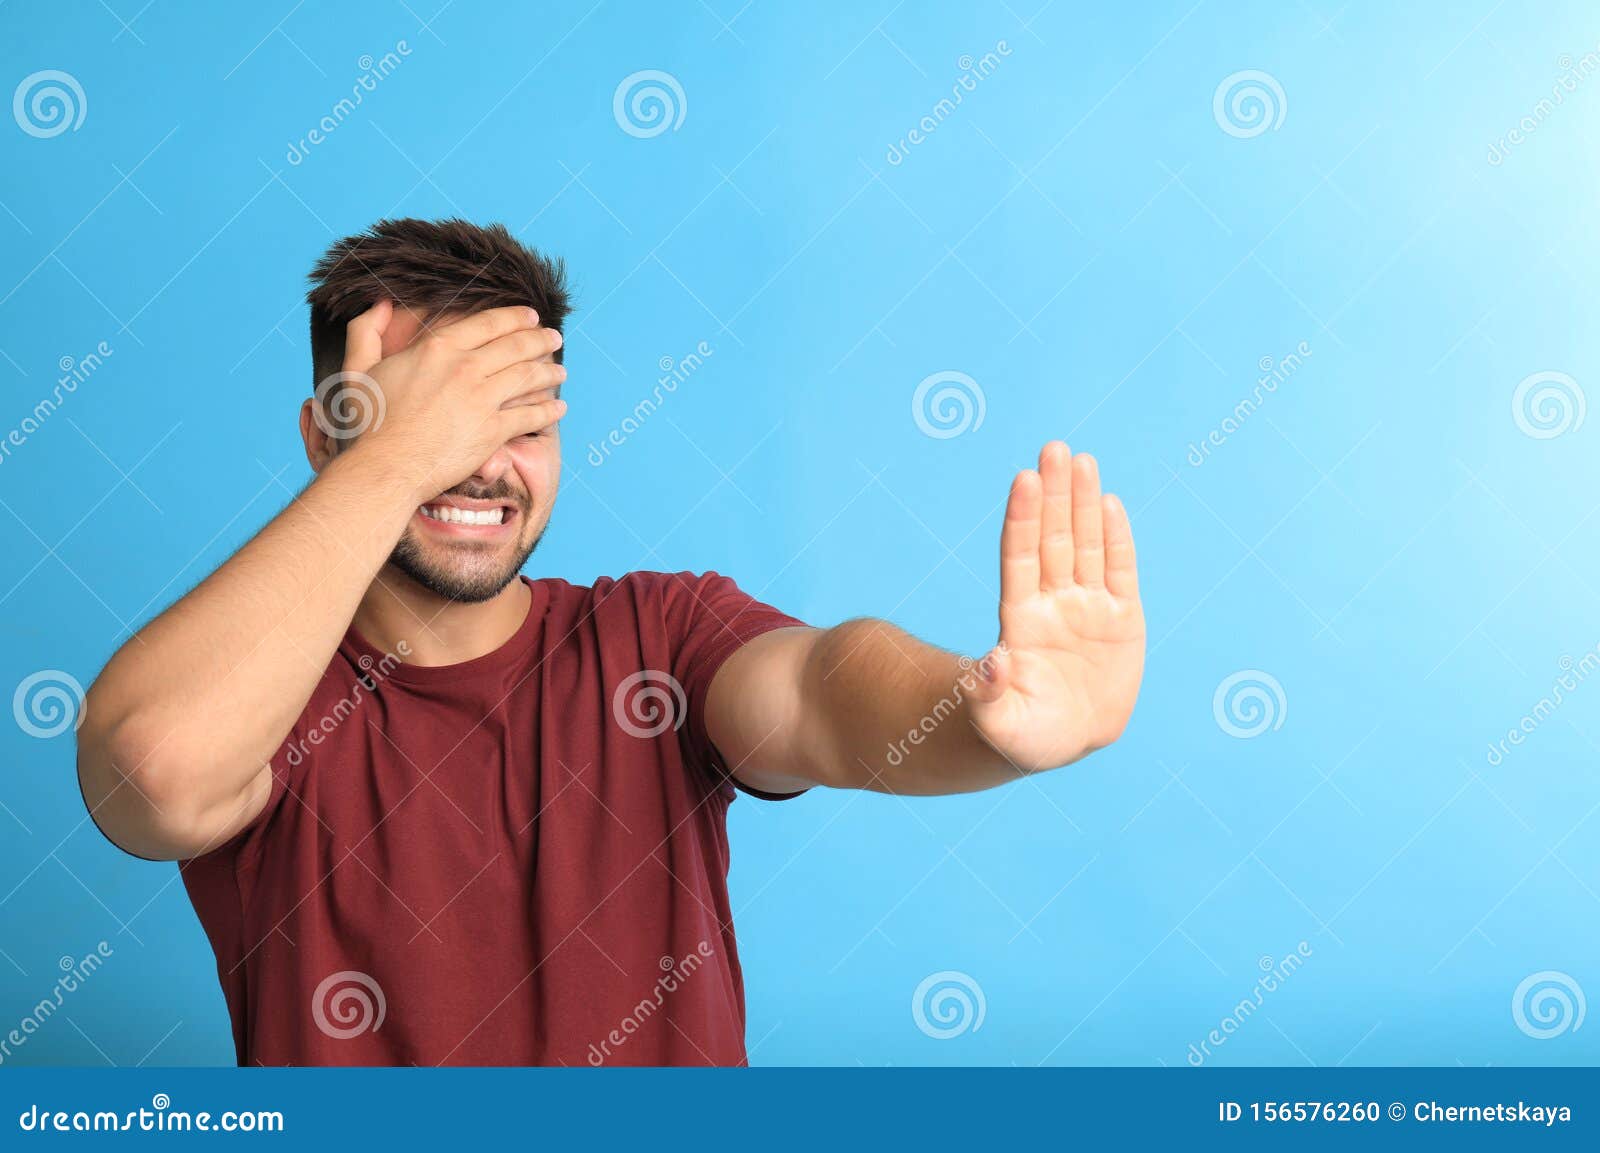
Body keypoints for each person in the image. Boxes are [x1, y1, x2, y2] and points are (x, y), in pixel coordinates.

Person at [76, 217, 1147, 1066]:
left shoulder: (655, 636)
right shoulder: (262, 686)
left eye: (522, 419)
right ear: (327, 436)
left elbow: (828, 690)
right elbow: (155, 776)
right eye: (434, 418)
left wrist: (975, 714)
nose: (483, 463)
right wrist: (393, 458)